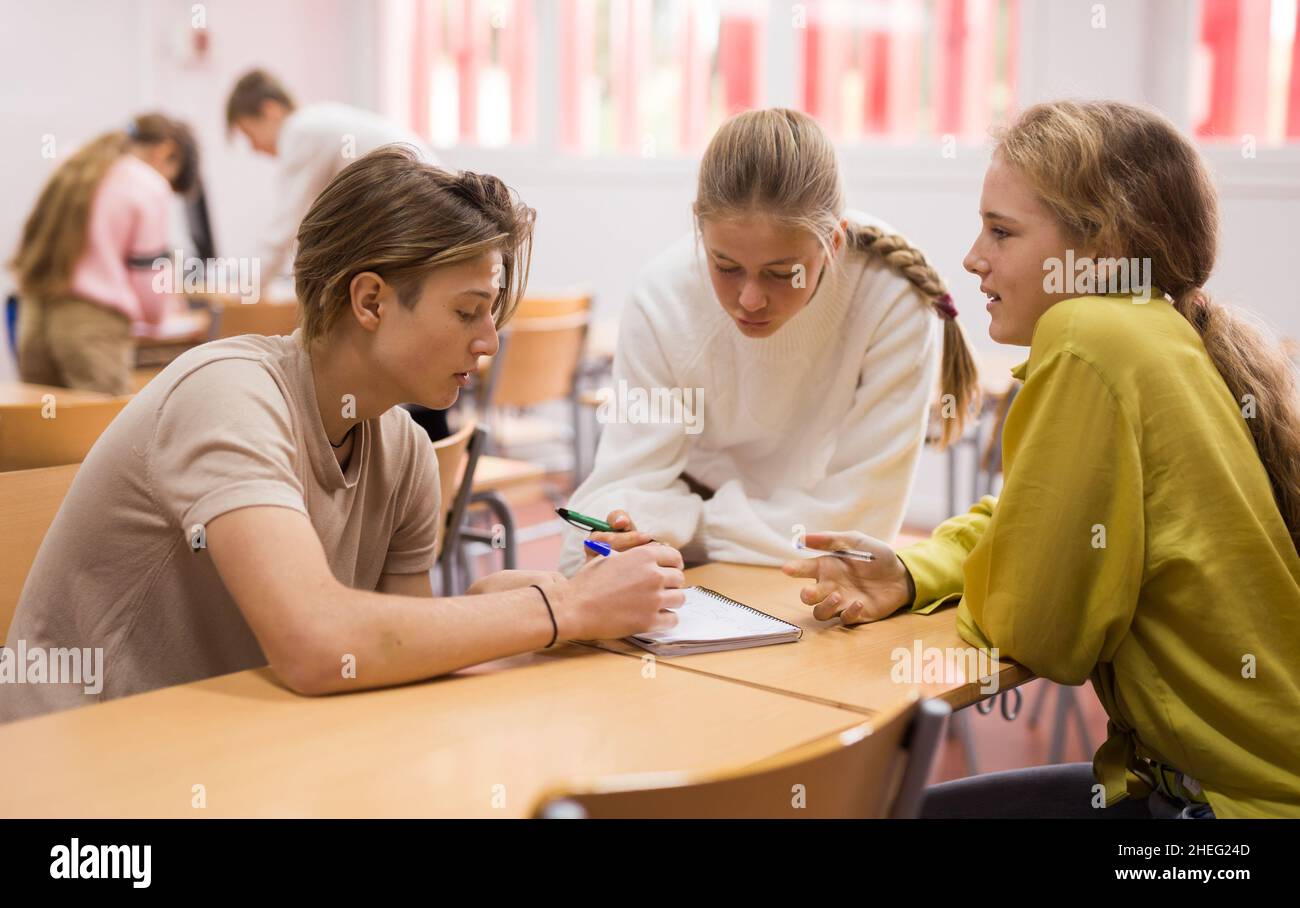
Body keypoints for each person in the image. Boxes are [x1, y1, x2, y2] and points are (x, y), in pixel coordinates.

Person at [0, 146, 685, 723]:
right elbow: (317, 643)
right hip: (80, 767)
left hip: (234, 744)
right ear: (369, 301)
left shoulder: (404, 449)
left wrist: (537, 597)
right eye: (468, 312)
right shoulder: (228, 397)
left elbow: (393, 652)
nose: (488, 342)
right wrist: (561, 605)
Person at [783, 100, 1300, 818]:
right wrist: (911, 570)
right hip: (1189, 789)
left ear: (1100, 253)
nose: (973, 257)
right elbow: (1030, 514)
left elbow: (1039, 634)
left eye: (1002, 231)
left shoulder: (1090, 333)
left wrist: (994, 579)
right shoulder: (1159, 333)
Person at [560, 108, 977, 574]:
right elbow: (610, 501)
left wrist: (686, 525)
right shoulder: (661, 299)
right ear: (699, 226)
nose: (750, 299)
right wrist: (623, 526)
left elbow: (860, 525)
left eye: (782, 273)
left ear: (834, 243)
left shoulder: (892, 298)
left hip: (729, 546)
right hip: (707, 547)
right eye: (726, 266)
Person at [12, 113, 200, 394]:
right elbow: (150, 283)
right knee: (102, 429)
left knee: (46, 430)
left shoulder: (74, 163)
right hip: (92, 325)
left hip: (34, 315)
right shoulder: (147, 183)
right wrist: (161, 314)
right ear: (166, 152)